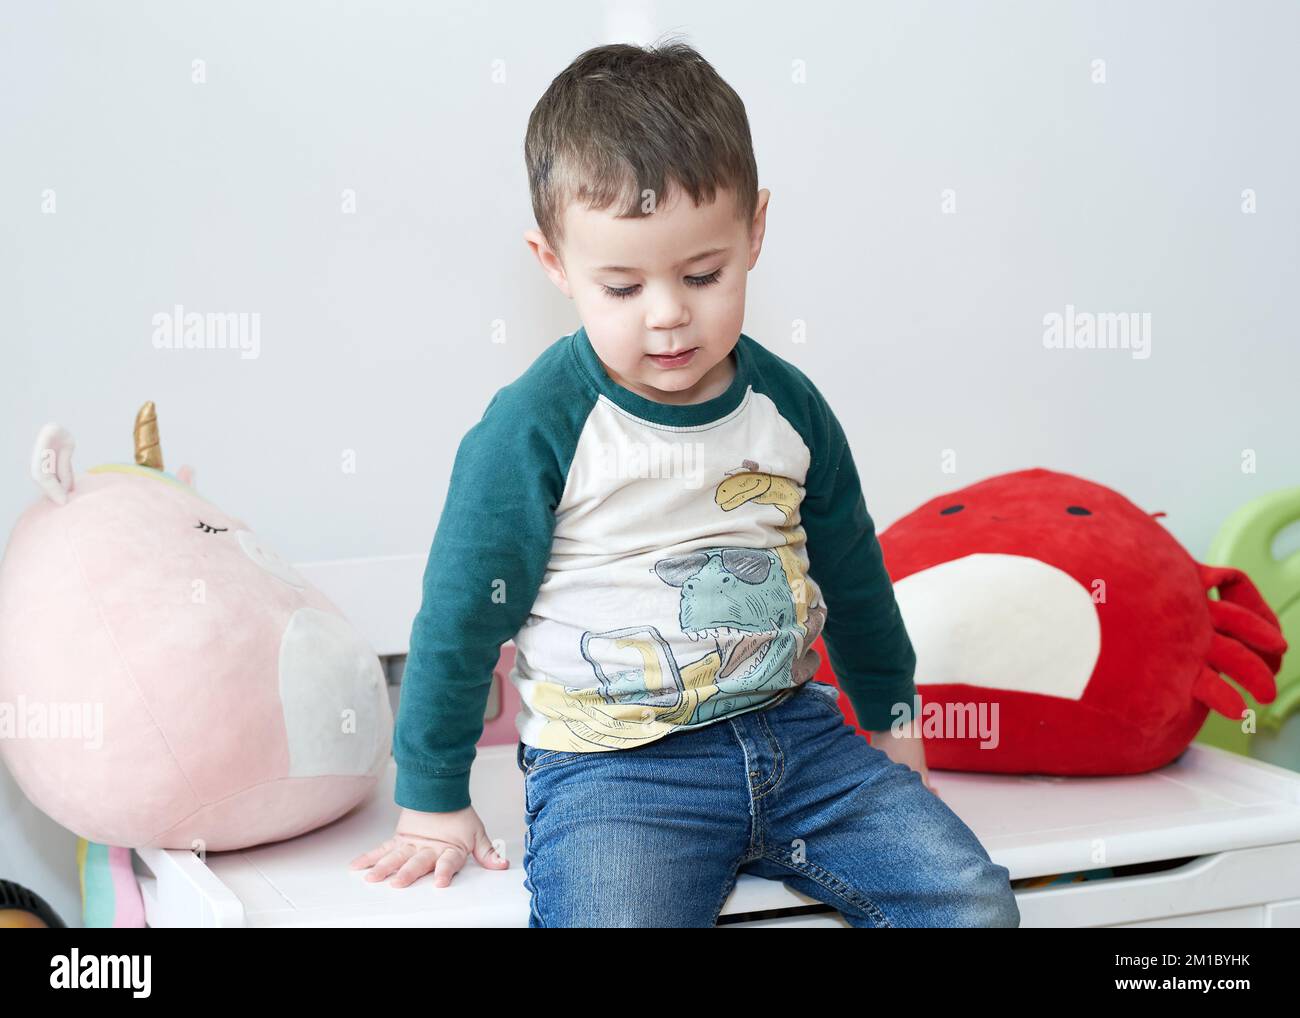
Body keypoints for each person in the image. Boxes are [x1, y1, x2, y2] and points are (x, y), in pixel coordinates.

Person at [350, 37, 1019, 928]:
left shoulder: (786, 410)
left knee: (971, 902)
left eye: (703, 275)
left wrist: (894, 721)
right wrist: (433, 795)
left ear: (755, 232)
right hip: (616, 773)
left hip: (802, 741)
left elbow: (854, 572)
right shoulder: (537, 425)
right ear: (554, 264)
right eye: (622, 287)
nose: (668, 315)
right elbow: (463, 611)